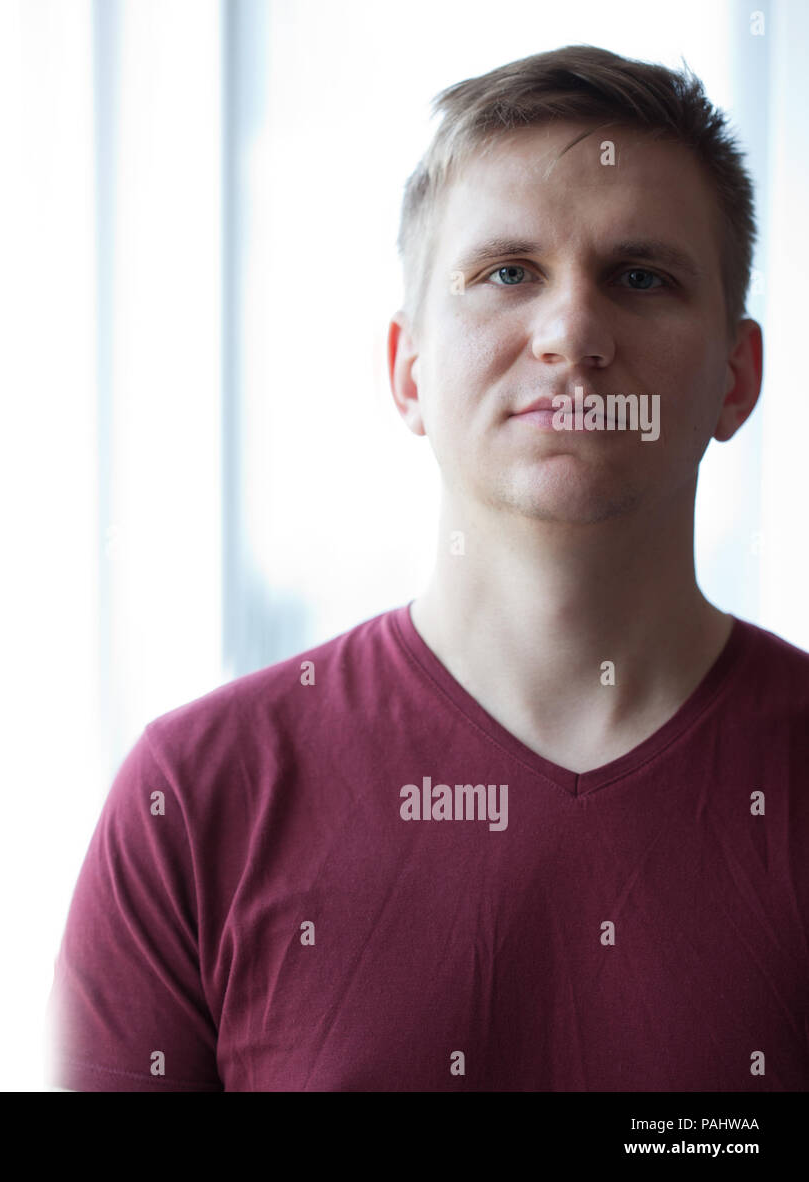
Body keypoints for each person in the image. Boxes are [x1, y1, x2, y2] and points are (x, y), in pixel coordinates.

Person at [48, 44, 806, 1091]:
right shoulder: (195, 802)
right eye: (507, 273)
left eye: (640, 277)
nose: (572, 330)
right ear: (407, 369)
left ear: (737, 376)